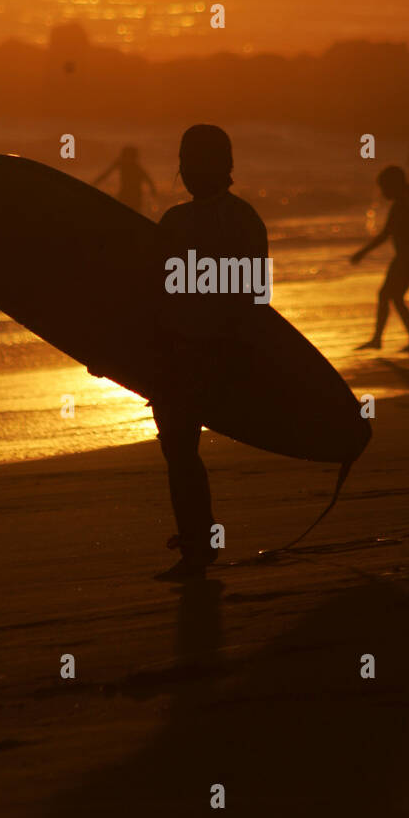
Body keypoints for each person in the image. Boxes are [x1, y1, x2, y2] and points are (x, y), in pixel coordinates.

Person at [151, 125, 269, 581]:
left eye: (193, 160)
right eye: (186, 160)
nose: (187, 169)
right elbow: (155, 295)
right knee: (179, 452)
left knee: (180, 452)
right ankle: (199, 544)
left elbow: (250, 298)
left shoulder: (202, 222)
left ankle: (199, 545)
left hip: (199, 356)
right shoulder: (227, 220)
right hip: (187, 354)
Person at [350, 165, 409, 355]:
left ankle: (396, 341)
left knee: (392, 297)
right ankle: (386, 340)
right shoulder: (404, 203)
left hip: (408, 258)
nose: (382, 193)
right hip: (408, 257)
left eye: (384, 188)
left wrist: (362, 253)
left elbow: (385, 235)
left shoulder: (400, 206)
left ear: (394, 186)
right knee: (389, 296)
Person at [93, 145, 155, 213]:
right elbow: (106, 174)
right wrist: (95, 183)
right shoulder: (123, 164)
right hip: (127, 194)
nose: (124, 158)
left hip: (134, 195)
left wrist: (153, 193)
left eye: (125, 155)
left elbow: (149, 182)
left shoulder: (135, 167)